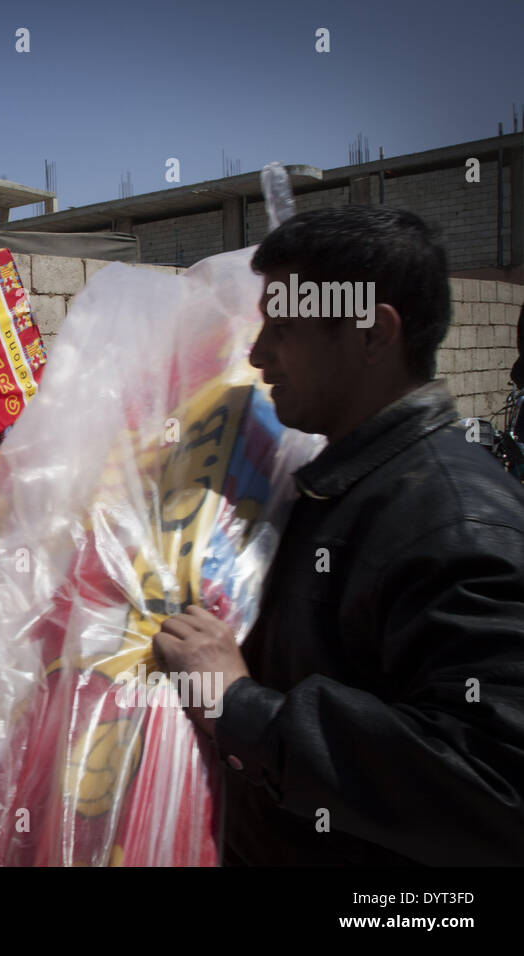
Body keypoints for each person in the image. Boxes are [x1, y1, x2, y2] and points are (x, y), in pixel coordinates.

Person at [152, 206, 524, 865]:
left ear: (372, 333)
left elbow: (494, 781)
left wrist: (236, 705)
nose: (258, 353)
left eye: (284, 327)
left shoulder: (455, 518)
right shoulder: (340, 478)